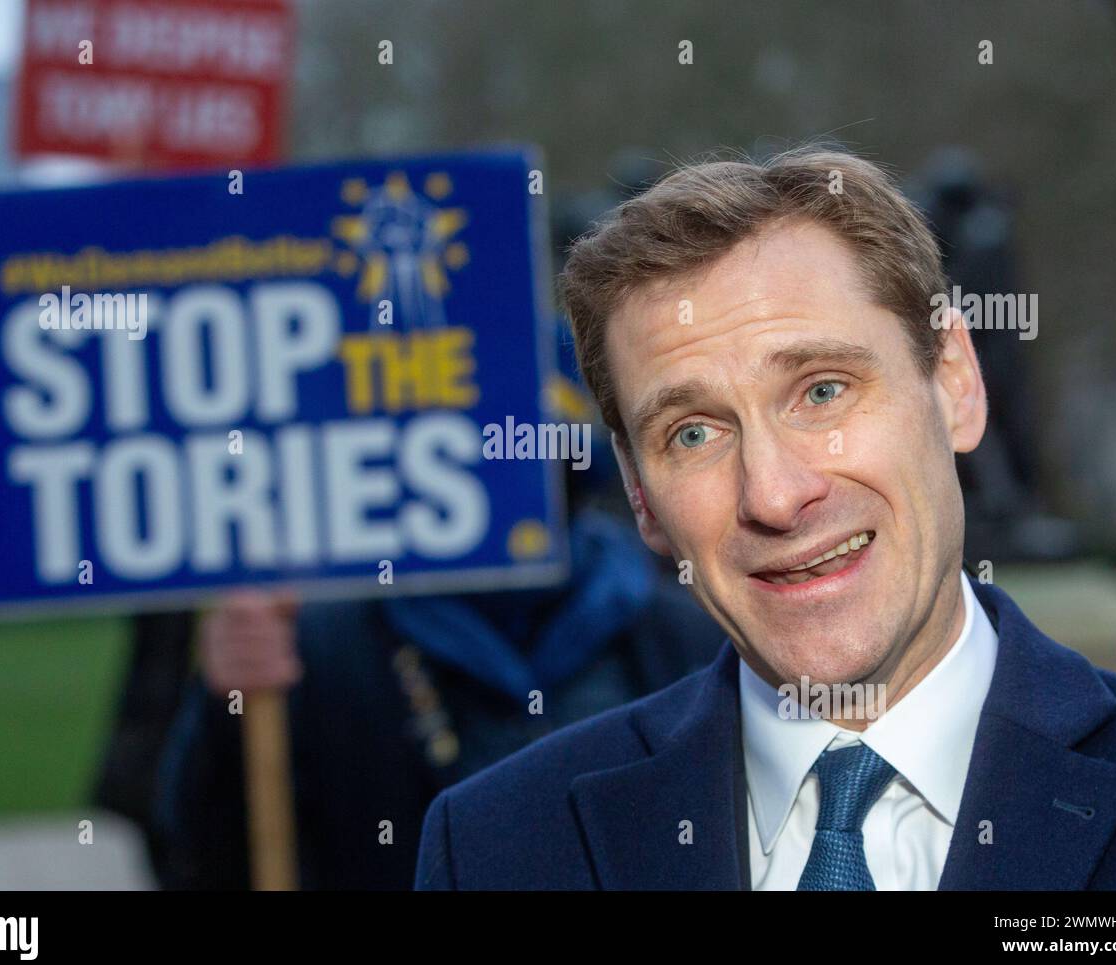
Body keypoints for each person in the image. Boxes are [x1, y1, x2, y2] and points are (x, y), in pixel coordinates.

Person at [414, 147, 1116, 891]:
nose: (775, 495)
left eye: (822, 391)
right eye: (693, 433)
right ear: (640, 494)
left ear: (954, 381)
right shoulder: (496, 849)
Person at [152, 369, 727, 890]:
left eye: (534, 464)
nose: (506, 498)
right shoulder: (320, 648)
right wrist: (226, 712)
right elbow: (204, 859)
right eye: (471, 467)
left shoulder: (686, 633)